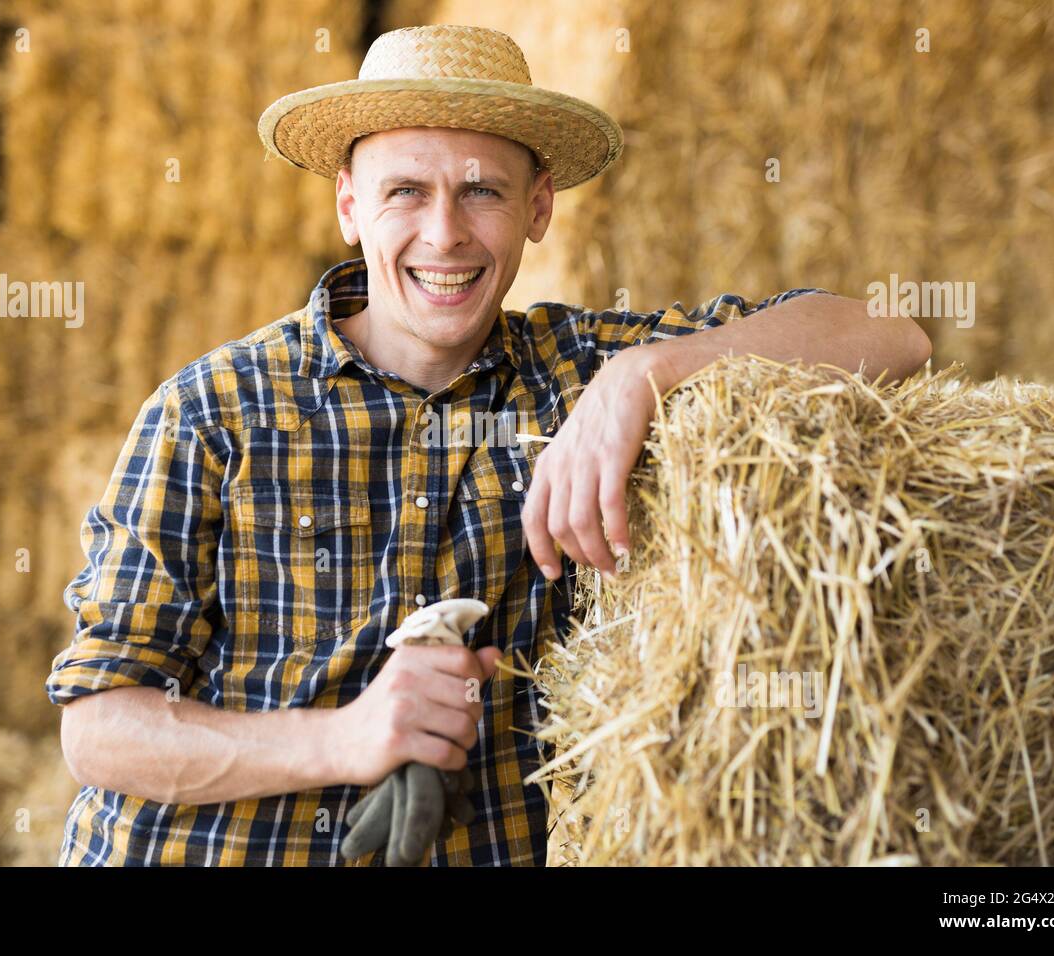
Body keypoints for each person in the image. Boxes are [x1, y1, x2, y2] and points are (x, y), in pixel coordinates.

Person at [46, 23, 932, 866]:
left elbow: (894, 336)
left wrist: (646, 376)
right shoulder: (213, 412)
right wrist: (346, 739)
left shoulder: (579, 370)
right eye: (405, 192)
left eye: (483, 190)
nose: (445, 234)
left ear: (538, 208)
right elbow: (100, 729)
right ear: (350, 207)